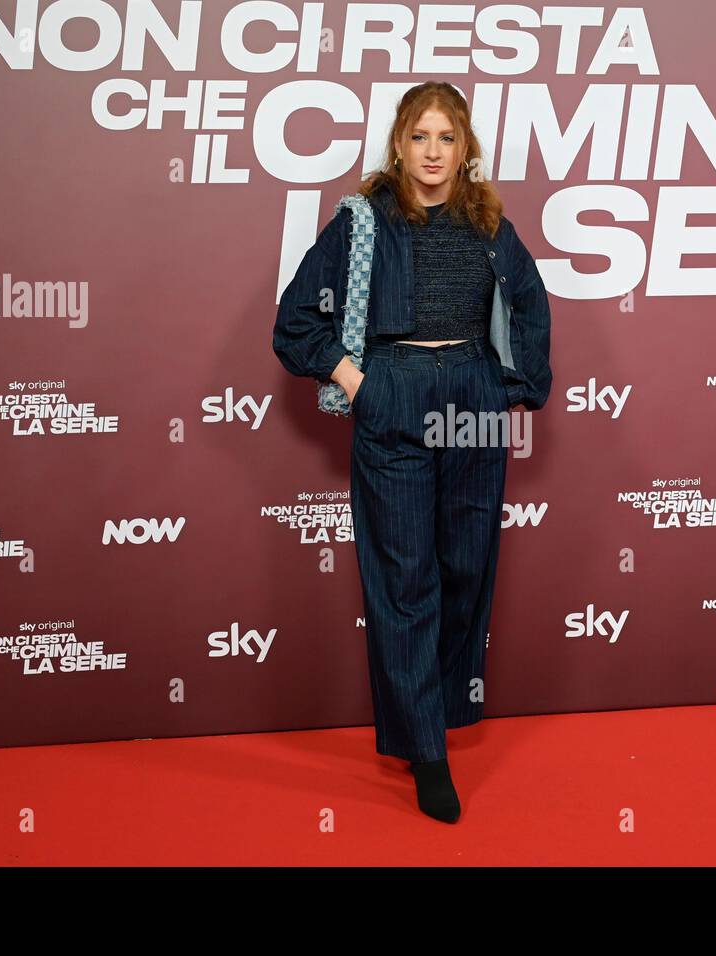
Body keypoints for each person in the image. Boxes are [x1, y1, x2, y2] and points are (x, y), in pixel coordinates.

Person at [273, 81, 553, 823]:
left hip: (472, 394)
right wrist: (360, 384)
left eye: (447, 138)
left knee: (465, 566)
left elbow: (528, 302)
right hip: (393, 390)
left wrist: (512, 388)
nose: (433, 152)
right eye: (420, 137)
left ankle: (443, 710)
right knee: (406, 579)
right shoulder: (362, 221)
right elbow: (296, 320)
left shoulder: (490, 223)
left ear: (466, 150)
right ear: (399, 145)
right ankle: (426, 751)